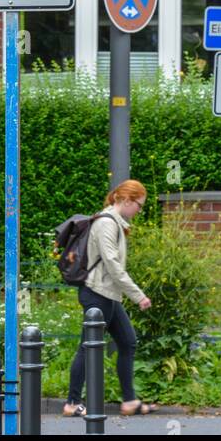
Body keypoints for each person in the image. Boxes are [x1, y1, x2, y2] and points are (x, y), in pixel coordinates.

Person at [63, 178, 155, 417]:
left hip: (108, 293)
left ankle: (129, 401)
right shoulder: (106, 223)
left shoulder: (114, 221)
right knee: (87, 347)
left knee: (127, 342)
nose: (139, 210)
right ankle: (72, 402)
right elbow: (112, 264)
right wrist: (138, 295)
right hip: (98, 293)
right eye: (139, 205)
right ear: (126, 200)